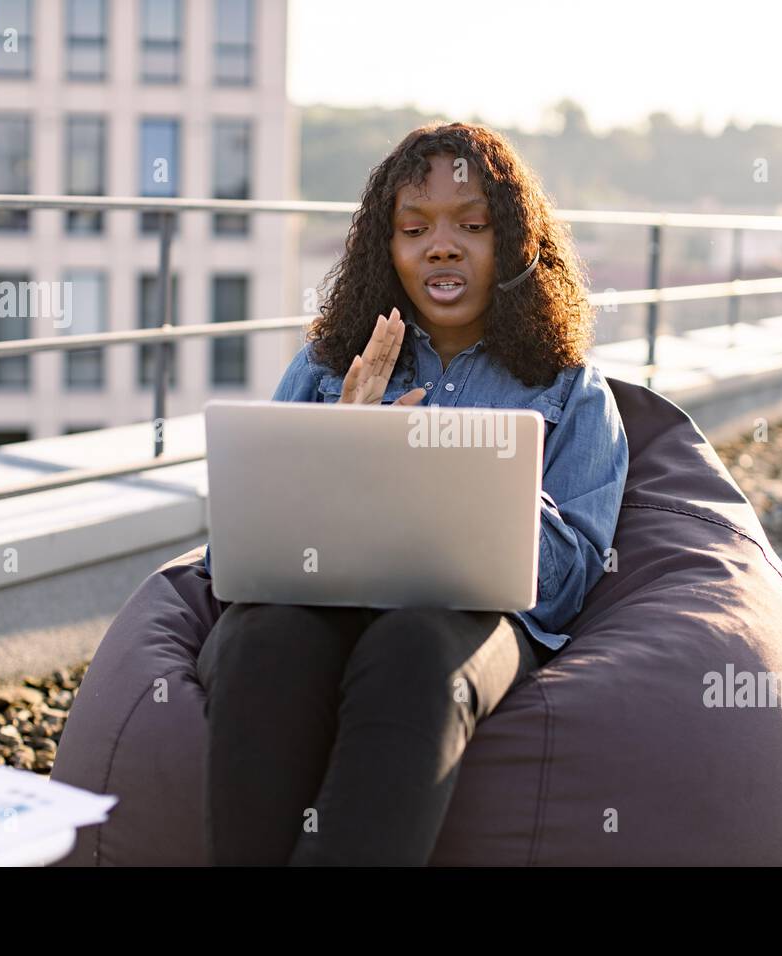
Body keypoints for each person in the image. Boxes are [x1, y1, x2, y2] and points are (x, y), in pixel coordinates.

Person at [196, 122, 629, 865]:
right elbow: (240, 547)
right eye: (414, 227)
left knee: (412, 647)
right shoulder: (331, 365)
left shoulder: (569, 387)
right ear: (387, 248)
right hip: (321, 603)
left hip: (463, 624)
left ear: (515, 245)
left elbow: (568, 584)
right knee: (262, 639)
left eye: (472, 225)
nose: (442, 245)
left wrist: (454, 467)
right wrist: (346, 437)